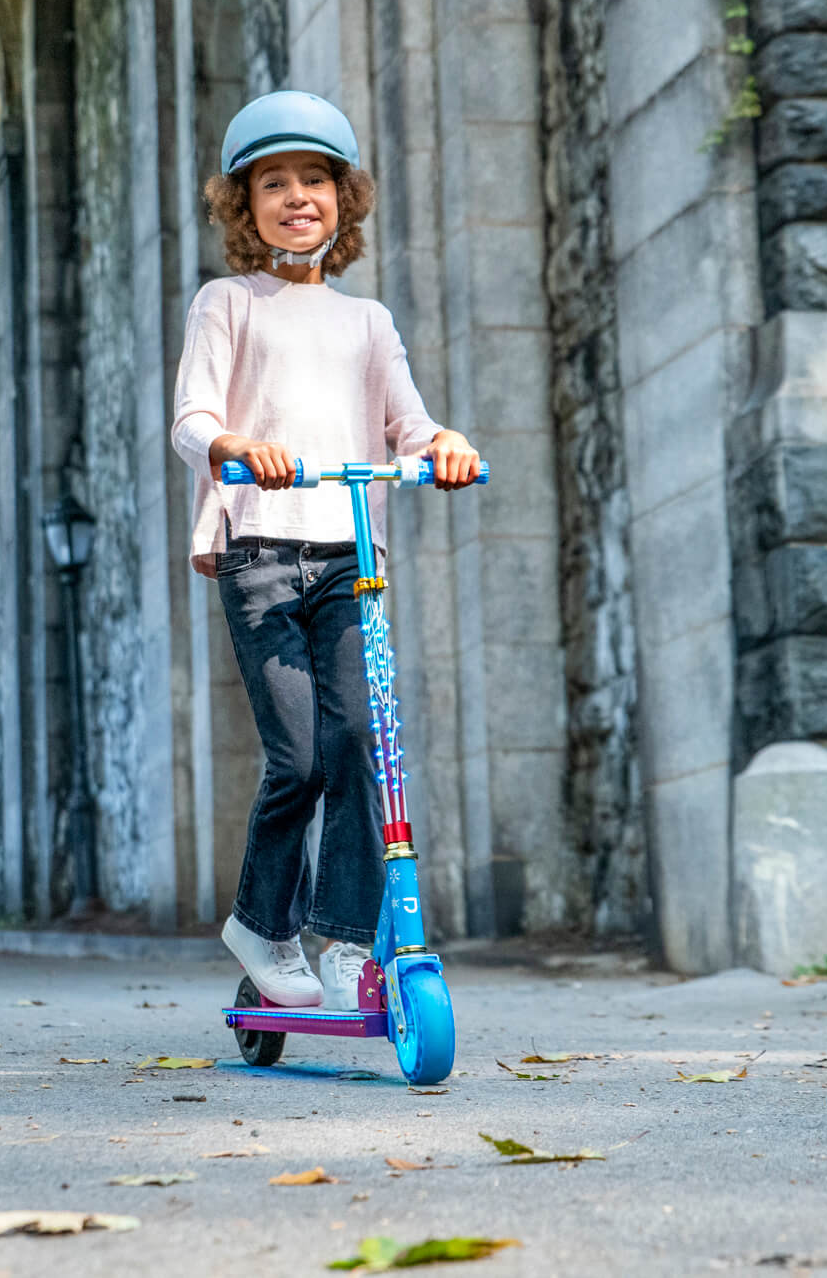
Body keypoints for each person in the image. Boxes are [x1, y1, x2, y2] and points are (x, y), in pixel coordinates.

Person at [170, 90, 481, 1011]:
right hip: (259, 551)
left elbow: (412, 428)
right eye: (274, 182)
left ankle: (347, 939)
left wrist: (446, 449)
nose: (296, 195)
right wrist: (234, 448)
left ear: (343, 199)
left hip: (352, 557)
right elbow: (193, 418)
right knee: (300, 756)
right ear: (244, 203)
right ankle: (261, 928)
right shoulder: (229, 302)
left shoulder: (368, 321)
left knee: (361, 747)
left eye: (315, 179)